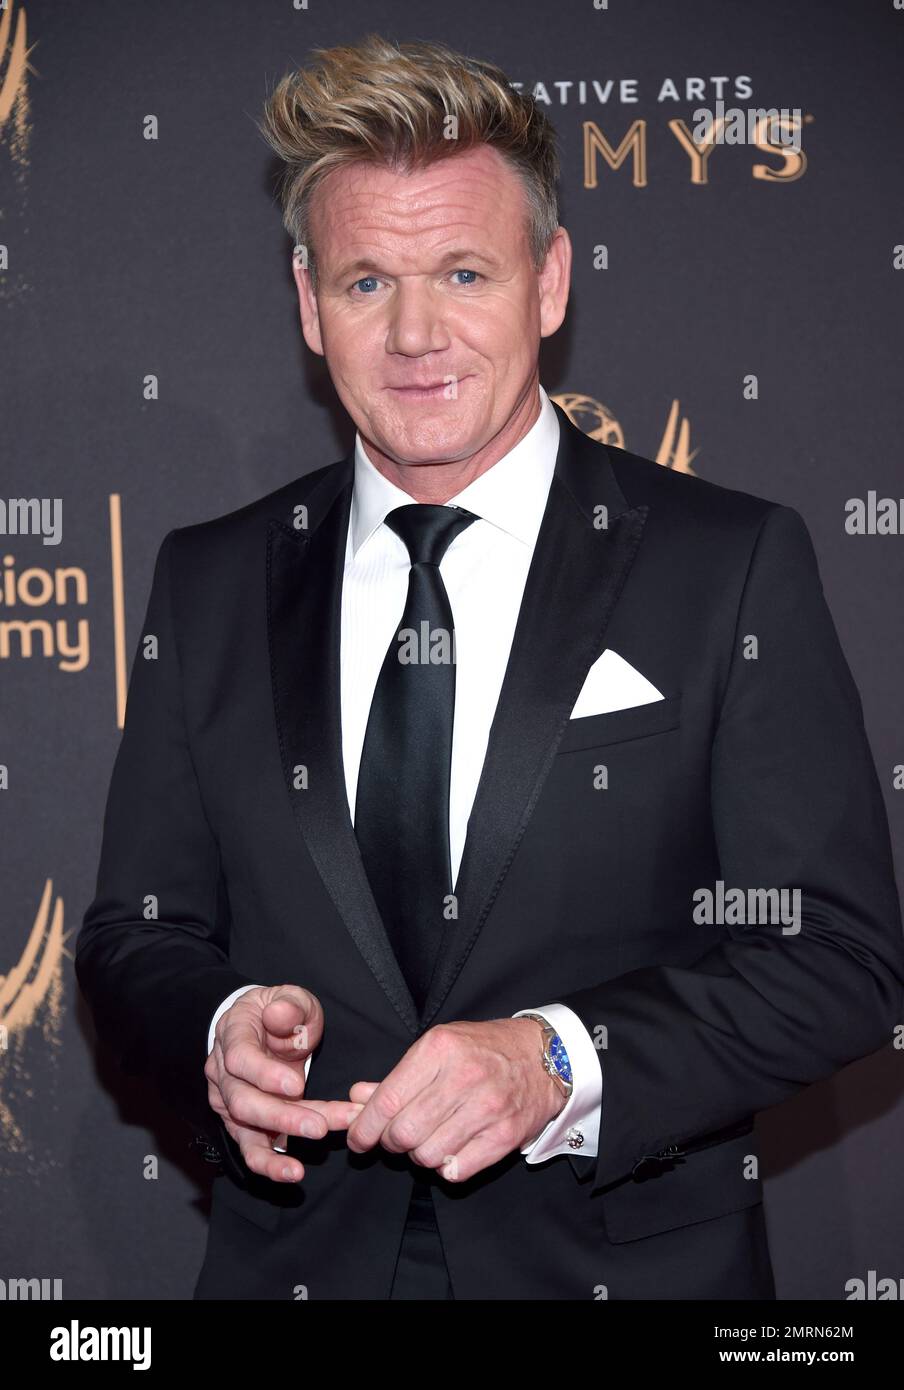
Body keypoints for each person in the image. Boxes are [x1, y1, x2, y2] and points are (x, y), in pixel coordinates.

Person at [76, 34, 904, 1300]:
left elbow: (839, 957)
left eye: (463, 271)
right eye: (366, 283)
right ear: (307, 301)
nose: (416, 334)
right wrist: (216, 1027)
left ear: (550, 279)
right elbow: (138, 932)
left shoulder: (724, 563)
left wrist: (558, 1060)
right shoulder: (211, 578)